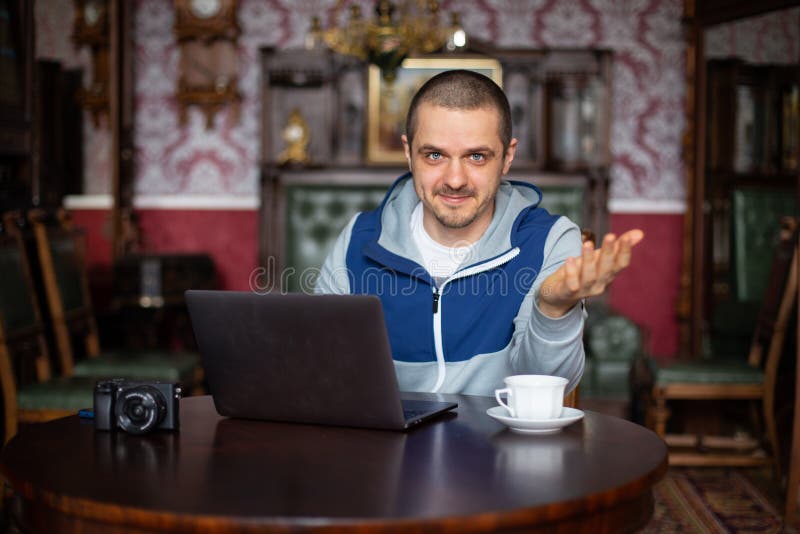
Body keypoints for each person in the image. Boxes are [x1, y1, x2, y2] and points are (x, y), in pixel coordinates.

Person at [315, 69, 643, 397]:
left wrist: (553, 309)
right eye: (434, 155)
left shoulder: (550, 241)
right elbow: (322, 370)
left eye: (476, 156)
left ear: (507, 157)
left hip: (501, 444)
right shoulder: (358, 239)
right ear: (408, 152)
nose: (455, 179)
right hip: (388, 444)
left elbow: (549, 387)